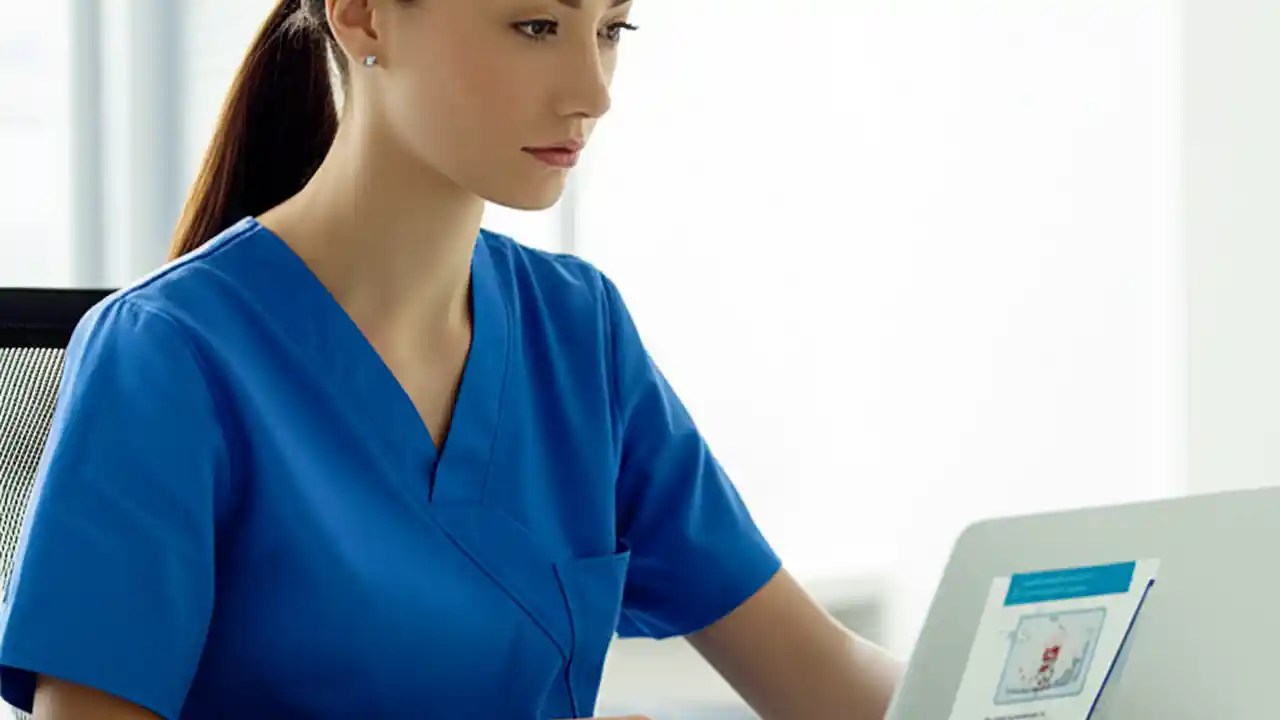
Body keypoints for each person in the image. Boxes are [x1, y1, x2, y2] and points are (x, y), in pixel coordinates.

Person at [0, 0, 901, 718]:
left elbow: (822, 678)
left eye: (612, 31)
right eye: (536, 28)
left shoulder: (578, 332)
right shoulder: (168, 356)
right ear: (361, 15)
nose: (592, 89)